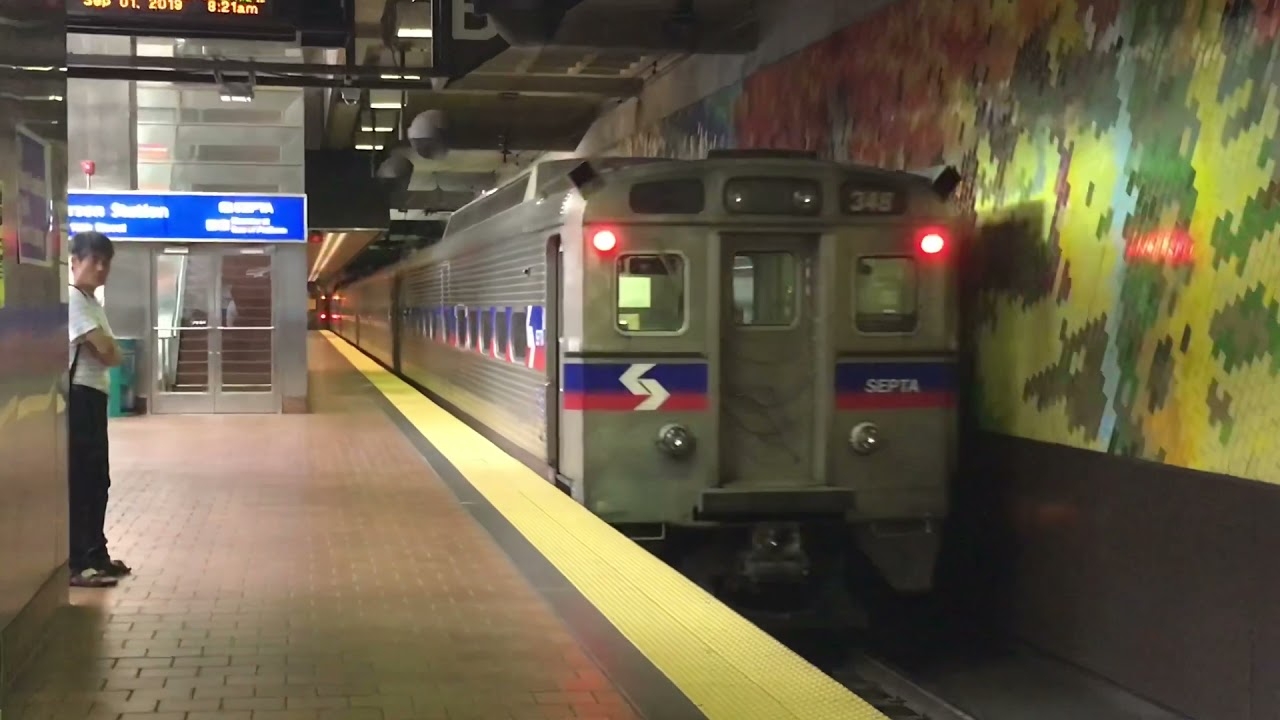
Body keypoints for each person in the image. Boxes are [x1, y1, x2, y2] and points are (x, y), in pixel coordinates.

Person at [67, 231, 131, 588]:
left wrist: (108, 349)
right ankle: (78, 563)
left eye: (107, 262)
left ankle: (96, 554)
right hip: (79, 398)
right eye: (95, 260)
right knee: (82, 481)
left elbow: (111, 351)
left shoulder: (91, 302)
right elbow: (108, 351)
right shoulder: (73, 301)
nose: (101, 268)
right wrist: (108, 349)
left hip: (94, 398)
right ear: (75, 261)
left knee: (98, 481)